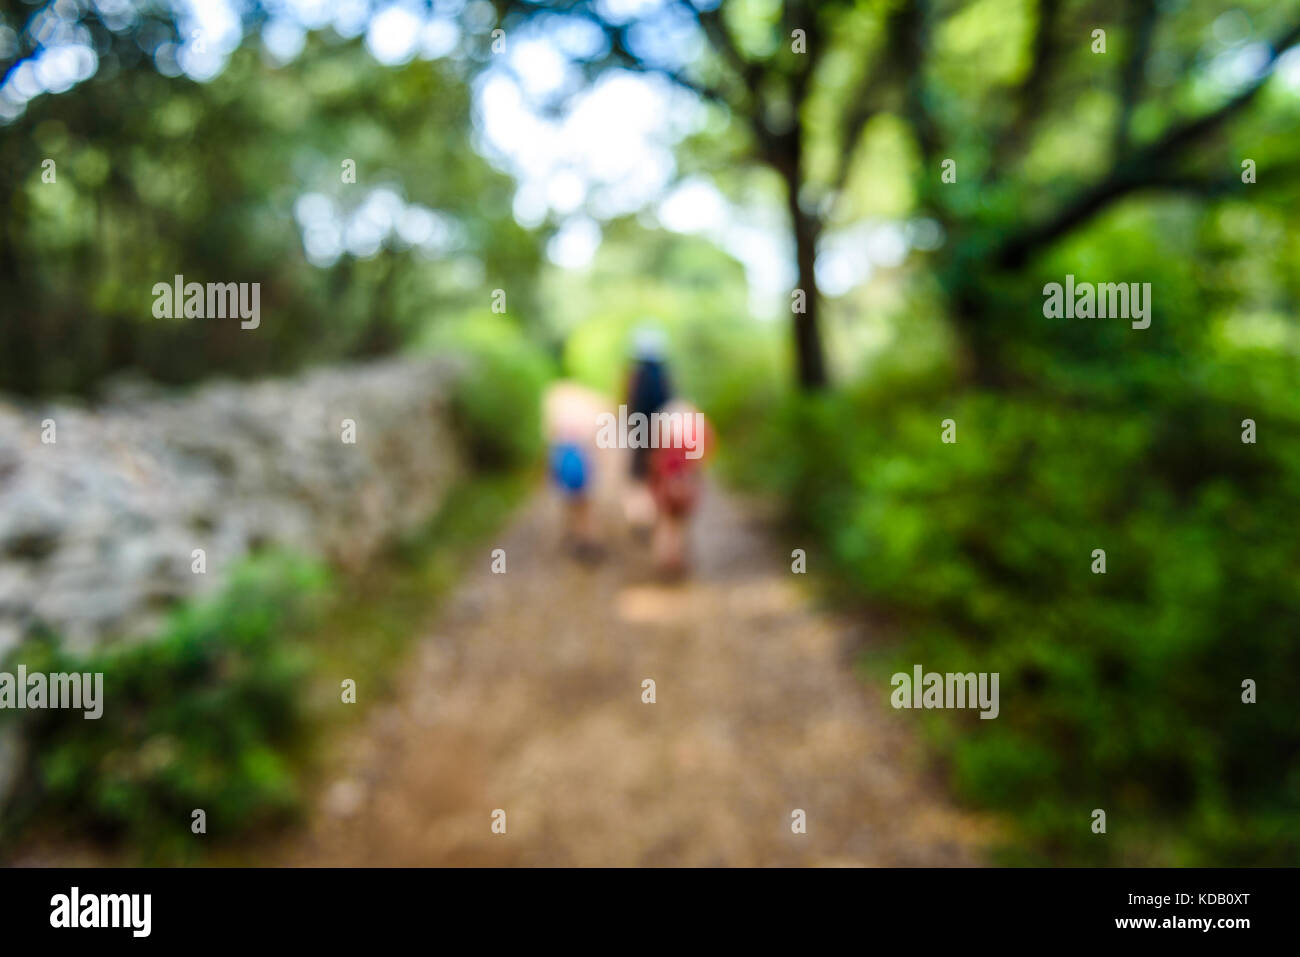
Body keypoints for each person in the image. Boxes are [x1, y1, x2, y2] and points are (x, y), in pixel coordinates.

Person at [647, 399, 712, 577]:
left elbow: (653, 460)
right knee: (681, 524)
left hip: (665, 487)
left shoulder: (661, 430)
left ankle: (664, 559)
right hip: (686, 488)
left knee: (665, 522)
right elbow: (703, 457)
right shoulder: (696, 428)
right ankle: (678, 559)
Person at [622, 325, 673, 535]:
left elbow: (629, 405)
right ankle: (658, 519)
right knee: (659, 477)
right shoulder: (665, 376)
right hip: (663, 435)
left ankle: (639, 520)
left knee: (638, 478)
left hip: (639, 434)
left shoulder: (634, 376)